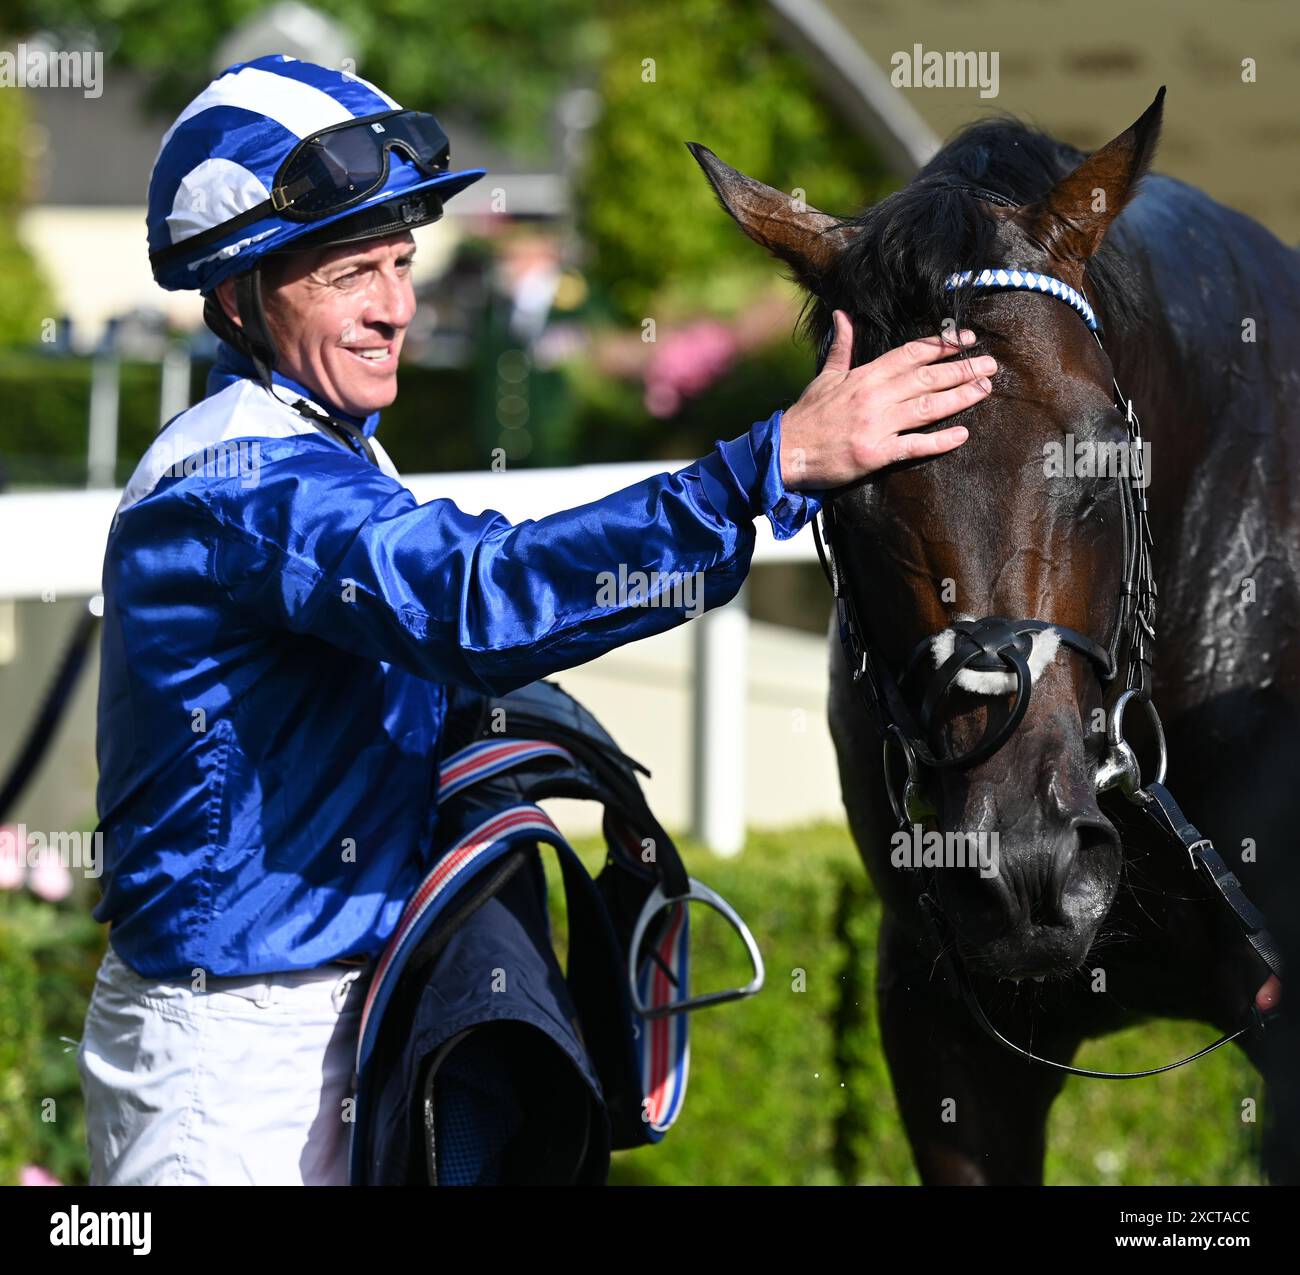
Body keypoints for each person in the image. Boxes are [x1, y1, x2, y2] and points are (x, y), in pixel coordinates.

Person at [76, 53, 994, 1186]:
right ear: (237, 296)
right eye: (350, 274)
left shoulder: (318, 441)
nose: (395, 307)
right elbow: (474, 599)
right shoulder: (248, 487)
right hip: (228, 1073)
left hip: (339, 1020)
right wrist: (756, 471)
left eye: (402, 264)